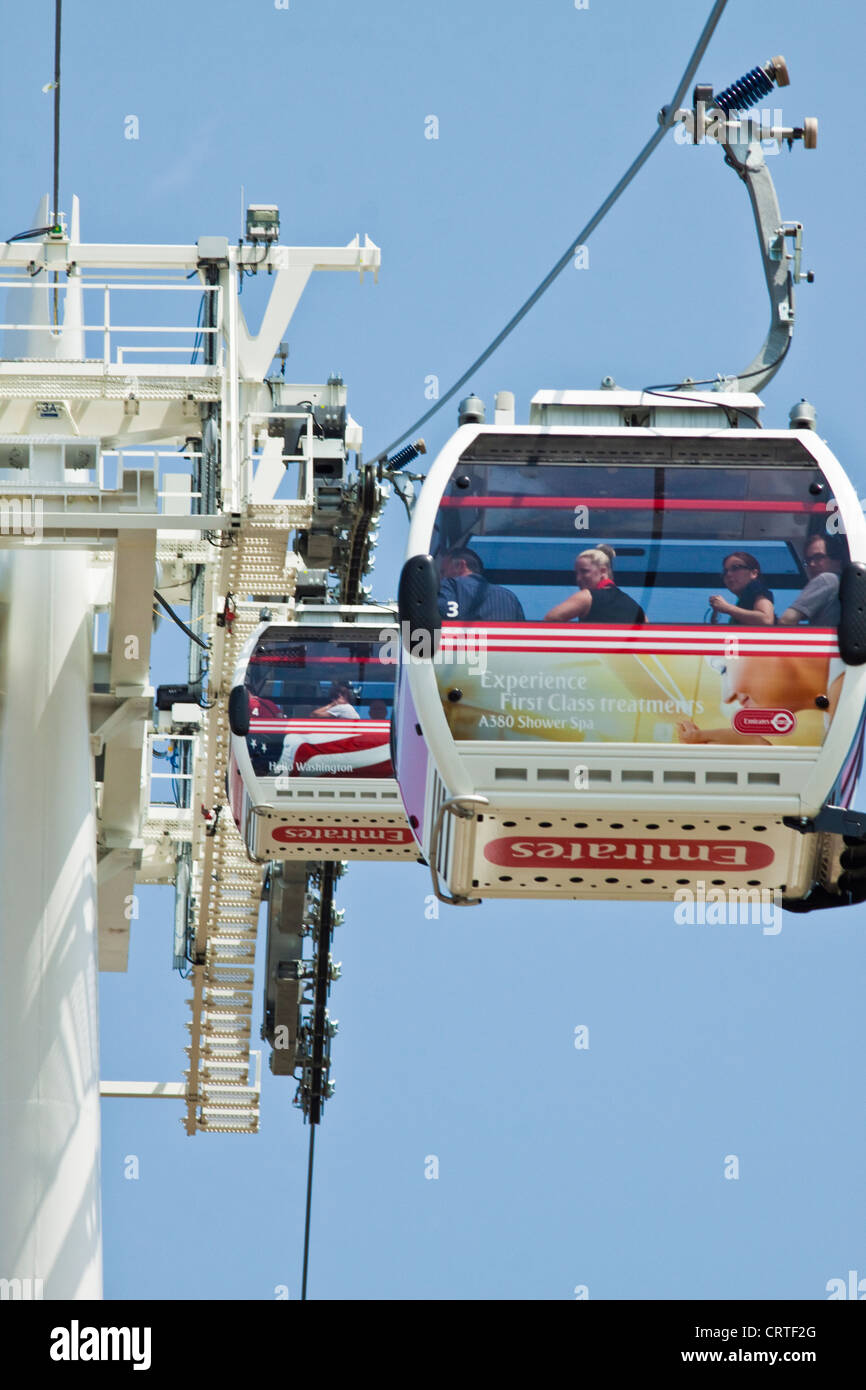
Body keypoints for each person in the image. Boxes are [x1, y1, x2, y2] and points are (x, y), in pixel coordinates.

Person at [544, 547, 646, 624]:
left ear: (603, 571)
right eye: (576, 573)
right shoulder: (635, 606)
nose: (578, 578)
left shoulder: (586, 597)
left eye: (584, 571)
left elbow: (550, 619)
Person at [437, 547, 525, 620]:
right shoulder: (509, 597)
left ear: (460, 565)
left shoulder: (449, 587)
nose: (442, 578)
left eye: (443, 572)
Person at [778, 533, 845, 626]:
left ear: (836, 559)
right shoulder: (844, 584)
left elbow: (786, 621)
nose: (812, 564)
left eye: (818, 557)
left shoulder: (826, 579)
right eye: (808, 560)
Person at [707, 552, 774, 626]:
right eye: (725, 571)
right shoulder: (742, 600)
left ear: (753, 573)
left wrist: (726, 608)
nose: (728, 574)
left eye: (736, 568)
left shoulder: (757, 589)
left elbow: (766, 620)